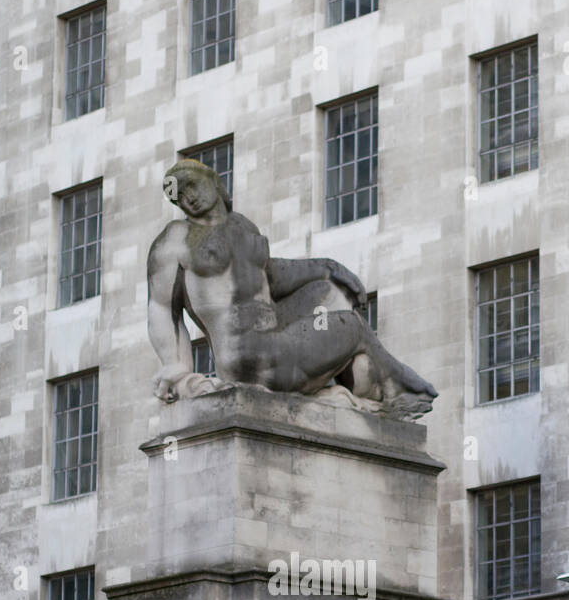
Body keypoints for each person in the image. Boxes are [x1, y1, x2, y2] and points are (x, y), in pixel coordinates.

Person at [146, 157, 438, 419]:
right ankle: (399, 386)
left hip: (276, 340)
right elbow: (161, 308)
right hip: (250, 358)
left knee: (327, 291)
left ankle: (356, 383)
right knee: (354, 327)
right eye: (179, 196)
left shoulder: (242, 226)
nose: (189, 198)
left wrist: (328, 266)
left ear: (213, 181)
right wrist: (177, 369)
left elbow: (271, 276)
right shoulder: (175, 239)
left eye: (191, 186)